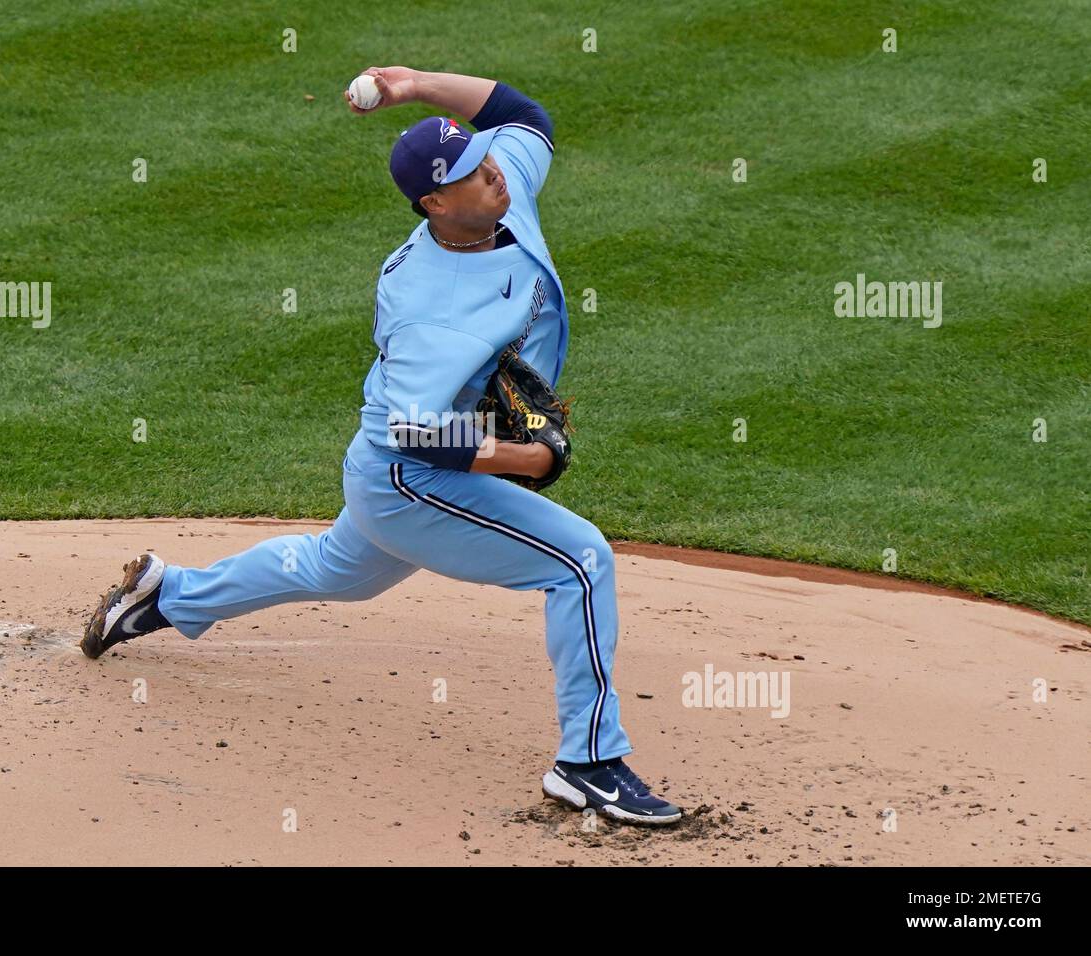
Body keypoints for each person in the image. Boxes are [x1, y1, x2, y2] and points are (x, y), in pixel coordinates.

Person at [81, 67, 682, 825]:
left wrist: (415, 85)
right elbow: (416, 432)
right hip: (408, 478)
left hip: (383, 469)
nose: (493, 174)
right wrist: (527, 457)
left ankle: (166, 595)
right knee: (580, 561)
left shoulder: (496, 190)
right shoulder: (429, 308)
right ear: (434, 203)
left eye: (486, 161)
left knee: (339, 570)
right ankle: (588, 763)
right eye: (470, 174)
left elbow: (523, 114)